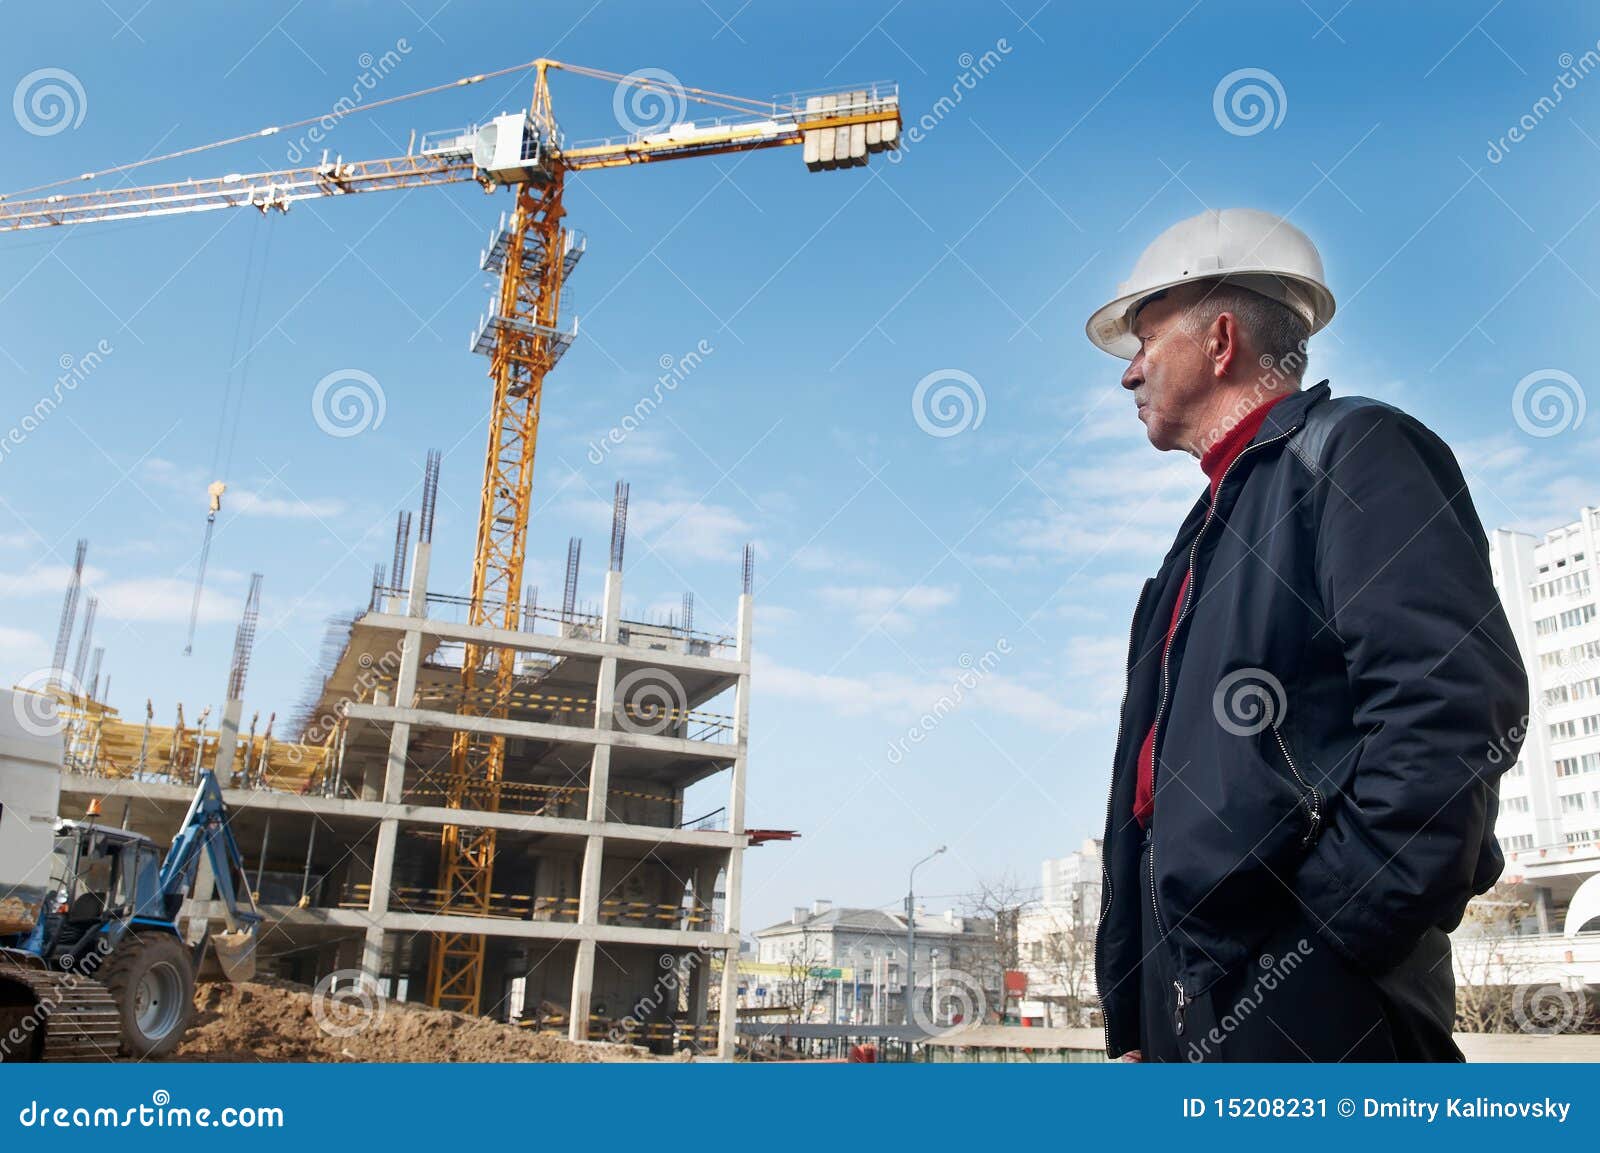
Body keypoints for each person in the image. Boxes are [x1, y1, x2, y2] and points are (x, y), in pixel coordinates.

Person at [1084, 208, 1528, 1062]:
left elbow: (1450, 713)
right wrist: (1141, 1013)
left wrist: (1329, 941)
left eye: (1144, 341)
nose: (1128, 374)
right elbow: (1152, 812)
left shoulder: (1355, 454)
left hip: (1312, 1002)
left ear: (1220, 340)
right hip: (1191, 1006)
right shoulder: (1196, 544)